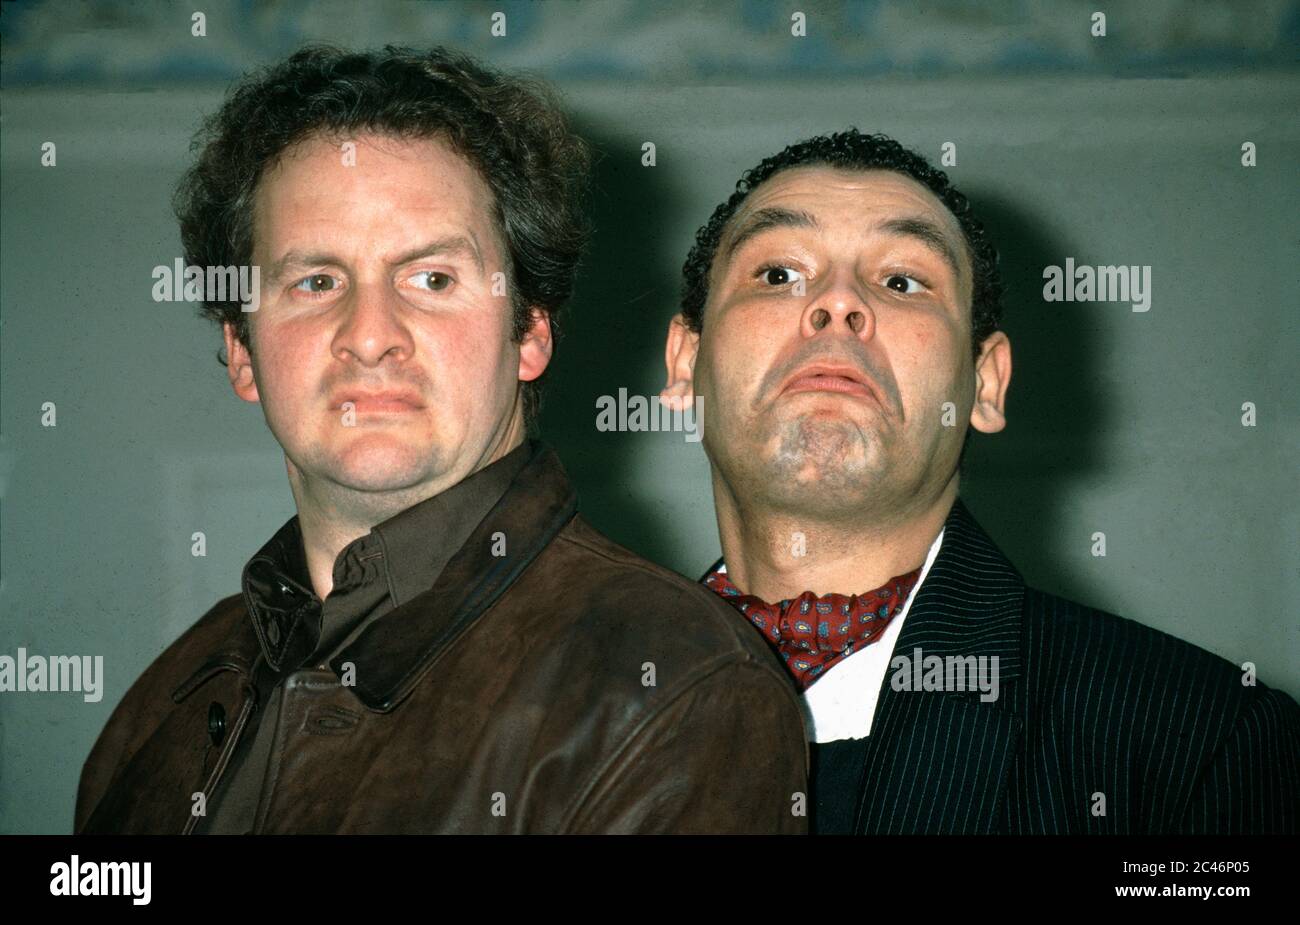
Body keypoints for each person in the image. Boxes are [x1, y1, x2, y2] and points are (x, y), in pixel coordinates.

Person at [75, 45, 806, 834]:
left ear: (529, 330)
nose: (370, 336)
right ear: (242, 351)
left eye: (431, 279)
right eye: (316, 282)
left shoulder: (678, 685)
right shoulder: (156, 706)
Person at [659, 128, 1299, 834]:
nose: (838, 304)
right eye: (779, 273)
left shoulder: (1201, 744)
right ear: (685, 364)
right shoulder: (547, 707)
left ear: (985, 384)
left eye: (902, 280)